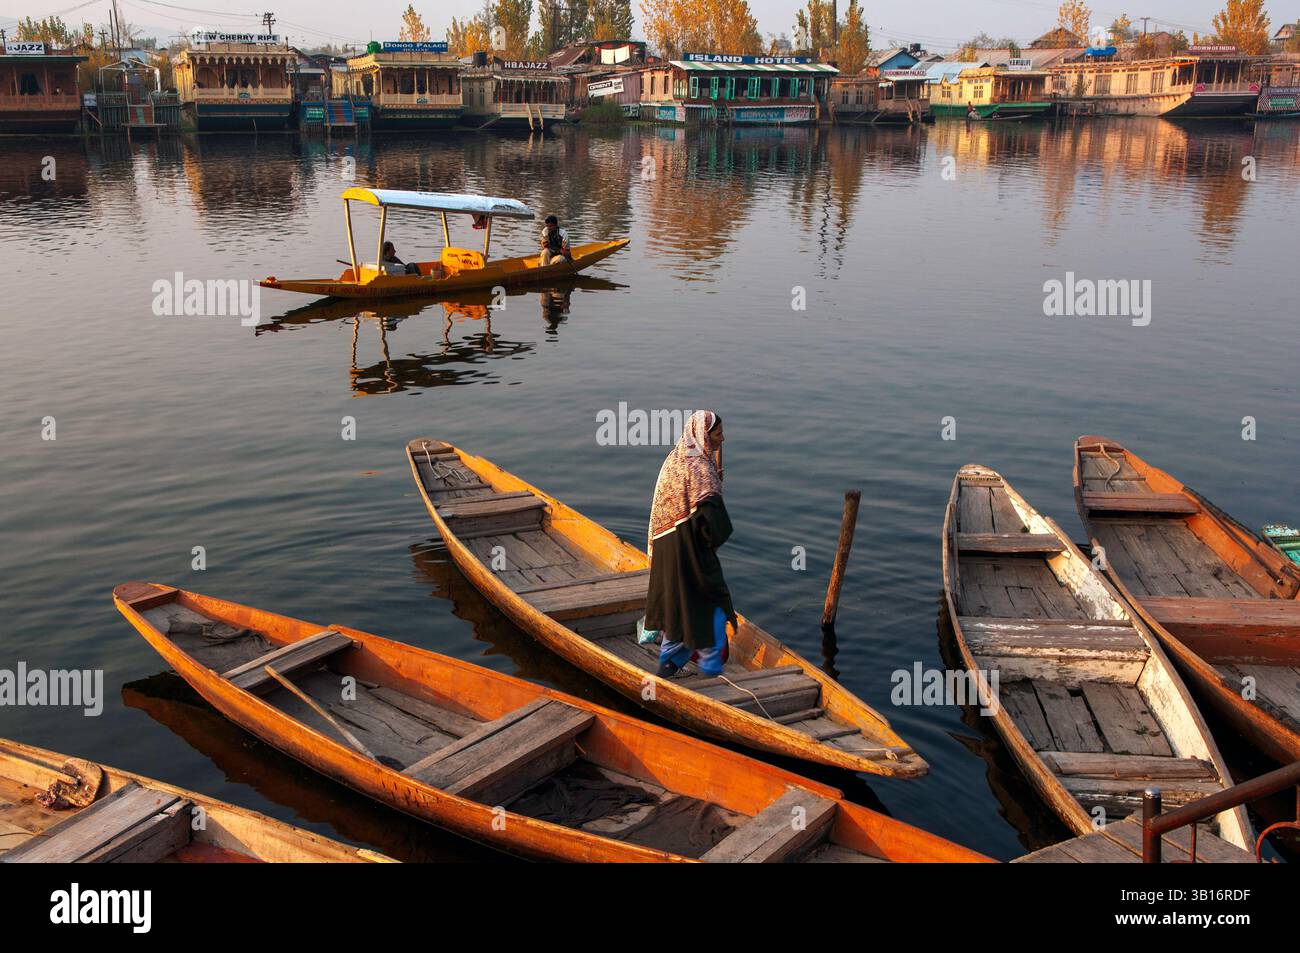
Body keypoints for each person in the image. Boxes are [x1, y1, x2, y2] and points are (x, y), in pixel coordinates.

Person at [643, 411, 735, 678]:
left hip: (667, 547)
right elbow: (713, 520)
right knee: (702, 603)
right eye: (718, 434)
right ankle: (690, 664)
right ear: (704, 435)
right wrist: (715, 488)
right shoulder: (700, 468)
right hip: (687, 550)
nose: (722, 439)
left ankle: (673, 663)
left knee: (680, 603)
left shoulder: (676, 456)